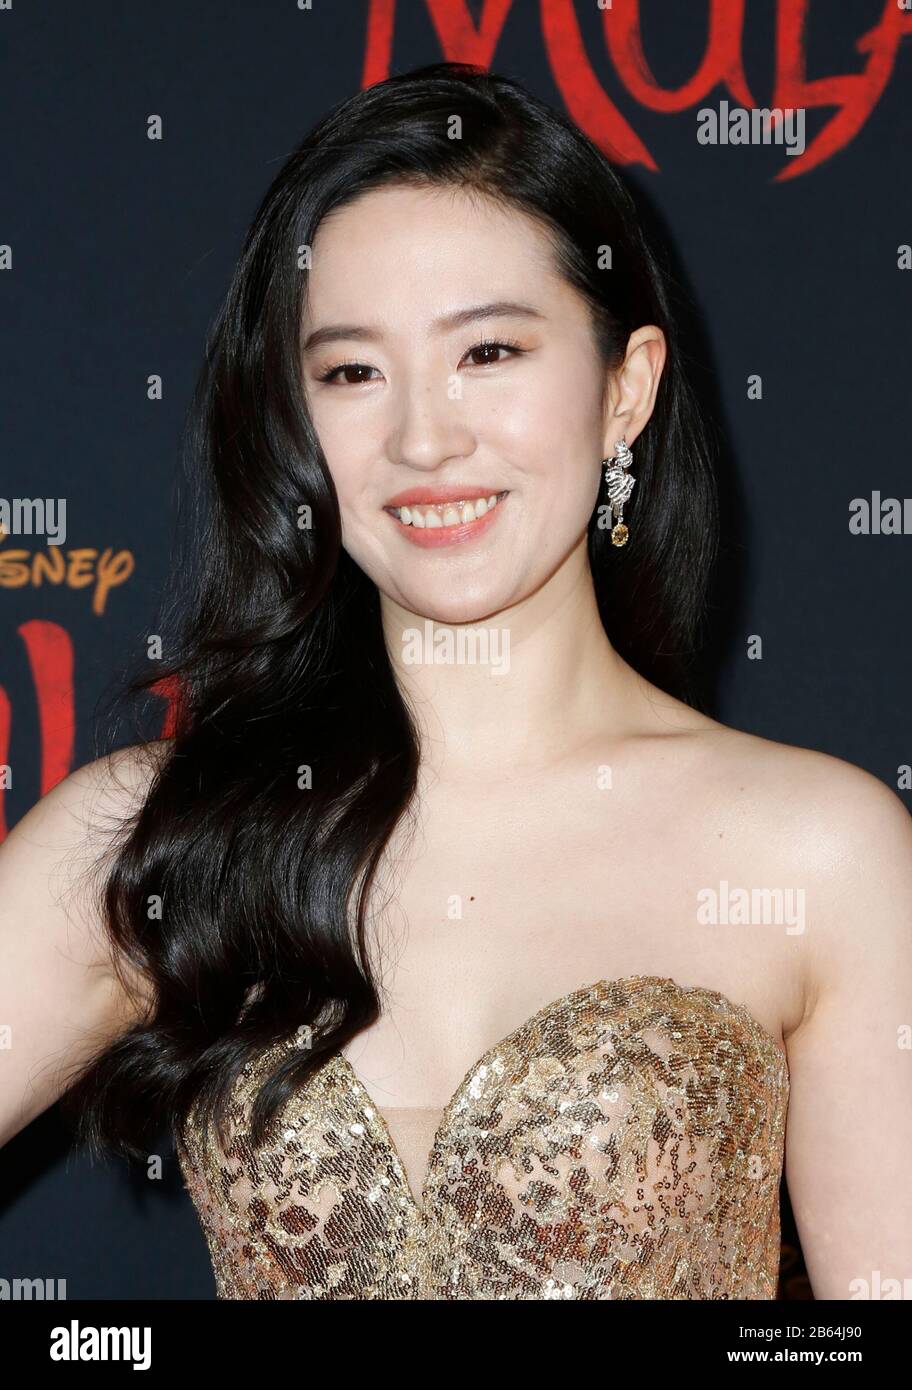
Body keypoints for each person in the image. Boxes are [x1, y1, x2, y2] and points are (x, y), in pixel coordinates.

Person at [1, 62, 910, 1301]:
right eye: (352, 372)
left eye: (489, 350)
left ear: (625, 389)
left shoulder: (822, 853)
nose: (424, 439)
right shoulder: (169, 838)